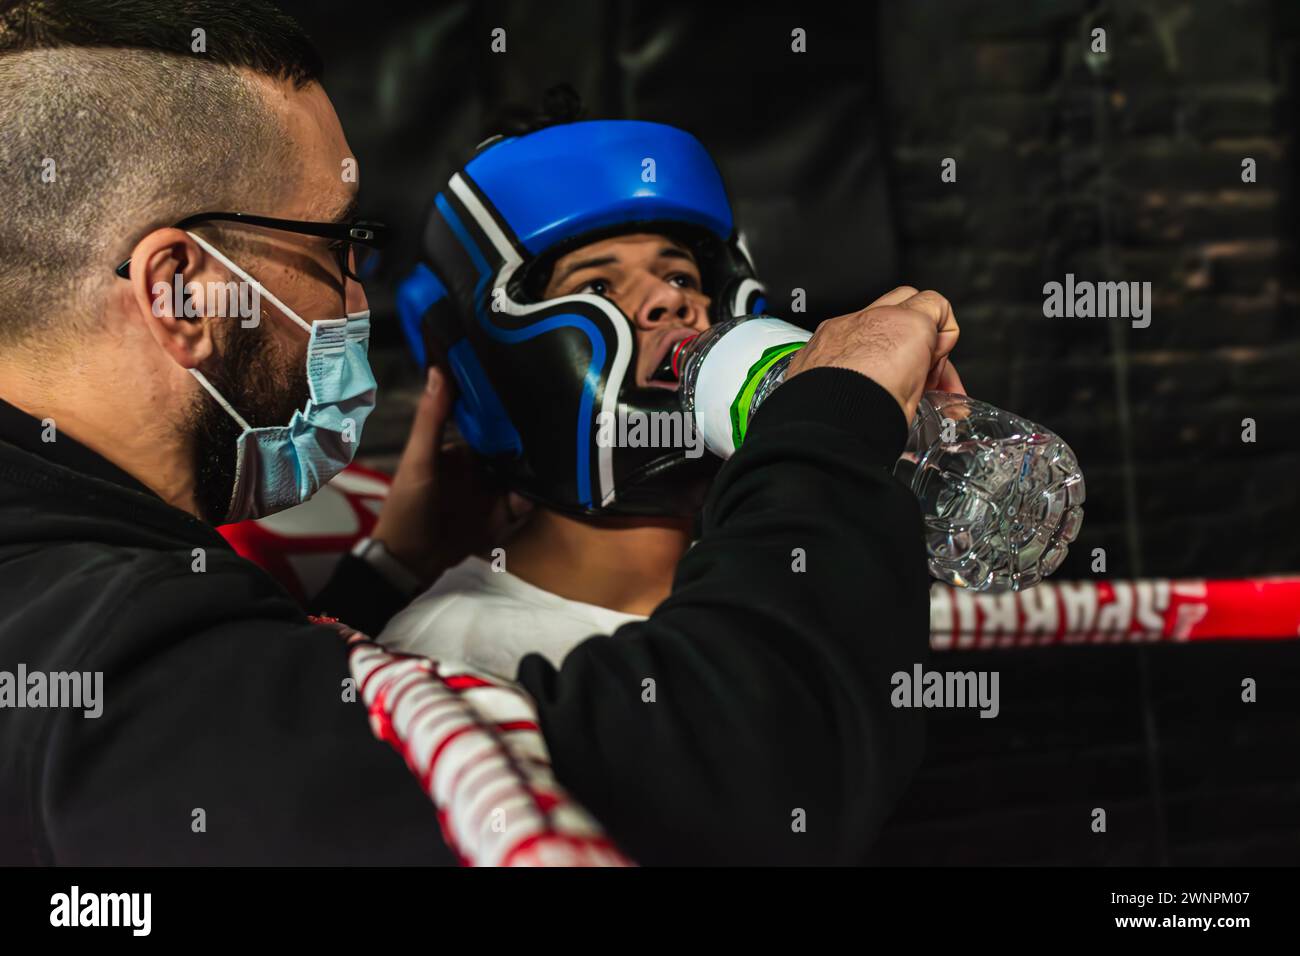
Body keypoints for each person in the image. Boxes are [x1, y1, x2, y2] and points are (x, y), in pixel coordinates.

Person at [0, 0, 953, 865]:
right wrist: (831, 417)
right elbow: (720, 784)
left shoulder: (69, 597)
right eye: (334, 247)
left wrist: (382, 575)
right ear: (179, 290)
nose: (351, 299)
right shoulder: (121, 665)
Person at [384, 107, 963, 683]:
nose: (669, 300)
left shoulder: (775, 583)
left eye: (682, 276)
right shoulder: (450, 655)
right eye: (596, 285)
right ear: (488, 369)